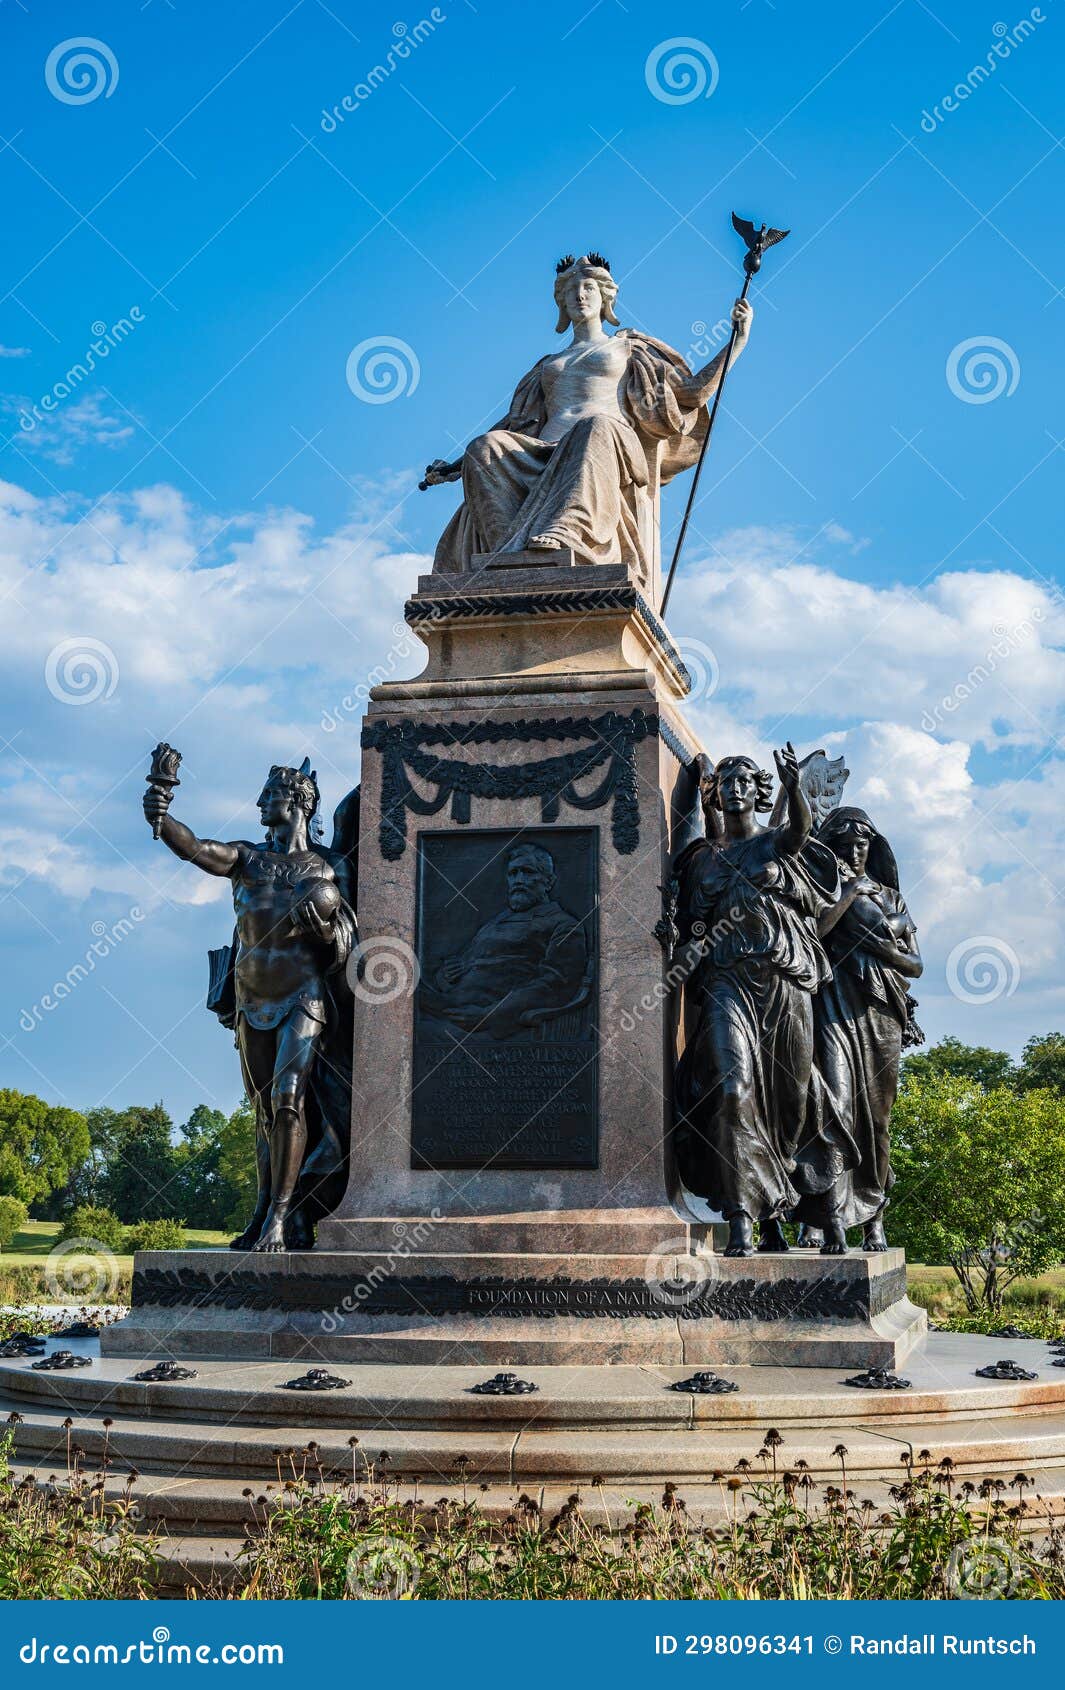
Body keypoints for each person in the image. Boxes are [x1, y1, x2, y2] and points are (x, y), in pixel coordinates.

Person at [421, 251, 752, 582]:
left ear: (605, 297)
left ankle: (569, 528)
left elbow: (691, 394)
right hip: (545, 449)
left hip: (608, 444)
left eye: (589, 289)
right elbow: (513, 422)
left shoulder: (628, 350)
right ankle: (510, 552)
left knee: (594, 425)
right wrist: (455, 466)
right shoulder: (548, 364)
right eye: (571, 291)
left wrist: (735, 342)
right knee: (486, 445)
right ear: (561, 303)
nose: (580, 296)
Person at [143, 761, 356, 1252]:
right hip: (251, 1000)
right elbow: (195, 848)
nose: (261, 804)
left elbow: (349, 940)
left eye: (269, 795)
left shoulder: (329, 869)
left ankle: (281, 1220)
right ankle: (267, 1211)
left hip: (304, 999)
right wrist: (162, 812)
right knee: (264, 1111)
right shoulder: (247, 859)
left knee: (288, 1100)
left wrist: (324, 929)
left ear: (298, 800)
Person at [673, 747, 856, 1257]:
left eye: (744, 781)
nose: (734, 787)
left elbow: (799, 829)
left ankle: (782, 1206)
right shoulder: (702, 859)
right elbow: (689, 923)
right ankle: (740, 1217)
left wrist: (795, 785)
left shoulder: (776, 843)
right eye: (726, 781)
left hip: (783, 980)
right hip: (725, 983)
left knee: (788, 1103)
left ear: (759, 792)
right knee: (734, 1090)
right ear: (716, 794)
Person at [814, 807, 923, 1250]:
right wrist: (845, 896)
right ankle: (831, 1217)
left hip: (881, 1014)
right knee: (836, 1107)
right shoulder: (823, 890)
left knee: (877, 1120)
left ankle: (874, 1217)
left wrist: (879, 947)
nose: (853, 851)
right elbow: (812, 933)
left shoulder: (893, 899)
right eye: (843, 844)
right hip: (833, 1005)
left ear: (872, 847)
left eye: (861, 843)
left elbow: (916, 963)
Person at [418, 843, 589, 1040]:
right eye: (513, 873)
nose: (518, 880)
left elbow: (554, 985)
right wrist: (446, 975)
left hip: (493, 1025)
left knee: (423, 1035)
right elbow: (461, 967)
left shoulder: (564, 925)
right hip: (450, 1006)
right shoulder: (495, 922)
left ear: (548, 881)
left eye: (527, 872)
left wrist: (489, 1015)